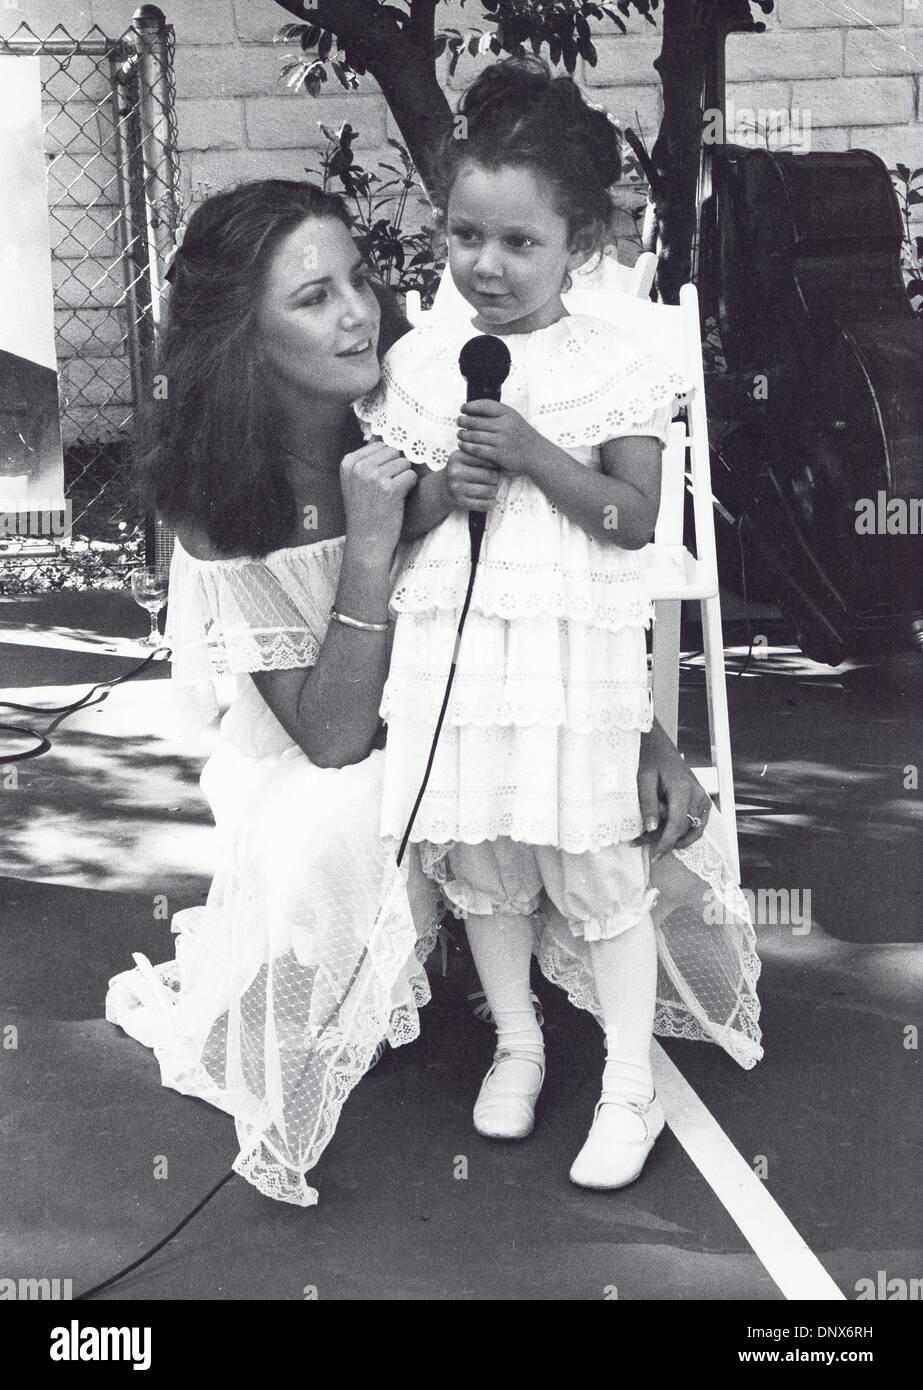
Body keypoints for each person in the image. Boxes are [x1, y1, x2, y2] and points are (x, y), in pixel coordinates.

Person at [104, 177, 736, 1209]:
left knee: (570, 785)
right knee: (351, 823)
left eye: (357, 278)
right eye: (312, 299)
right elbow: (334, 737)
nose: (358, 312)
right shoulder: (217, 489)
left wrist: (640, 733)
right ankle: (472, 990)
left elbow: (538, 589)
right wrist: (368, 547)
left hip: (483, 686)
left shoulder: (407, 392)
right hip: (334, 750)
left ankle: (548, 1019)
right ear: (241, 337)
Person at [354, 57, 761, 1191]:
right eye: (462, 236)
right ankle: (518, 1040)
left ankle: (626, 1079)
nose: (483, 265)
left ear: (578, 240)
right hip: (463, 653)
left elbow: (631, 519)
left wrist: (535, 456)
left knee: (590, 861)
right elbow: (413, 507)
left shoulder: (612, 359)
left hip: (570, 657)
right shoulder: (424, 362)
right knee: (482, 853)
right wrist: (451, 491)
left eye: (517, 243)